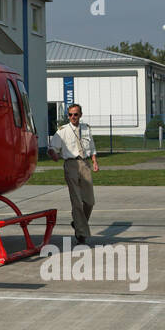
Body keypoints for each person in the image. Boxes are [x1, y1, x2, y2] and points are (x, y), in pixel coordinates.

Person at [47, 105, 99, 246]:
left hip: (85, 164)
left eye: (75, 114)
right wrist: (53, 153)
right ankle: (81, 234)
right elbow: (52, 147)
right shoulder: (63, 131)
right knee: (76, 201)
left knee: (89, 201)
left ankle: (77, 223)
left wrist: (94, 161)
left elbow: (92, 147)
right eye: (70, 115)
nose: (72, 117)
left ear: (80, 114)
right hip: (71, 165)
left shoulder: (86, 129)